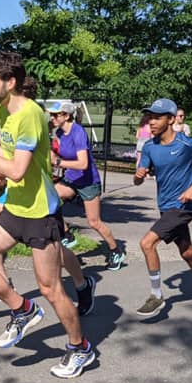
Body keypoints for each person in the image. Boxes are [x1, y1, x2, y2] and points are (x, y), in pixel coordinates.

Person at [0, 50, 95, 378]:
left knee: (50, 288)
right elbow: (12, 162)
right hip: (14, 206)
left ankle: (80, 347)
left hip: (39, 213)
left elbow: (18, 170)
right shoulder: (4, 110)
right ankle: (23, 309)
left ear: (11, 82)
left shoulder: (30, 113)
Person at [133, 98, 192, 317]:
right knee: (187, 252)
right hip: (165, 206)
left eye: (157, 117)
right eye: (150, 117)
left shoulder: (186, 144)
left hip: (184, 205)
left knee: (147, 243)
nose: (151, 122)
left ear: (171, 119)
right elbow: (139, 177)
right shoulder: (149, 147)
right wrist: (138, 176)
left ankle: (156, 295)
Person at [48, 101, 126, 271]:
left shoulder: (78, 132)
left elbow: (83, 164)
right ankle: (67, 235)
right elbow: (61, 154)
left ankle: (115, 250)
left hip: (88, 182)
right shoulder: (60, 132)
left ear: (66, 116)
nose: (52, 118)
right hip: (71, 179)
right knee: (49, 198)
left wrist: (58, 162)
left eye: (56, 115)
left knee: (94, 222)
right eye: (51, 115)